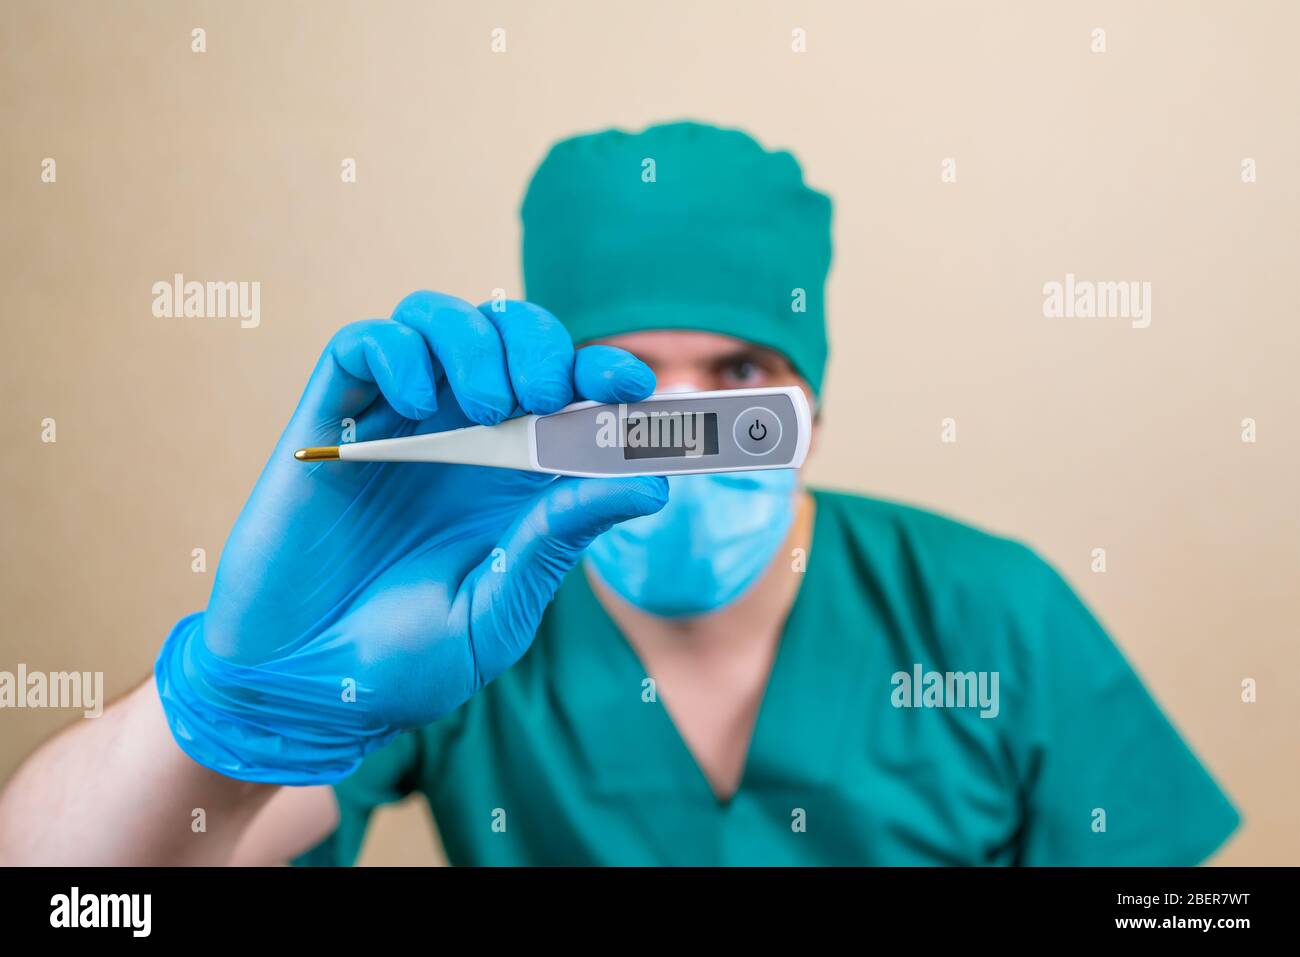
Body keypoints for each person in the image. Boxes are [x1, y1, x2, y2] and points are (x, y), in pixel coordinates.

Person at [0, 121, 1238, 866]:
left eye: (738, 378)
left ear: (809, 399)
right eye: (630, 390)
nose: (684, 436)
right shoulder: (456, 617)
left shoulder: (986, 610)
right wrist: (223, 706)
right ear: (551, 411)